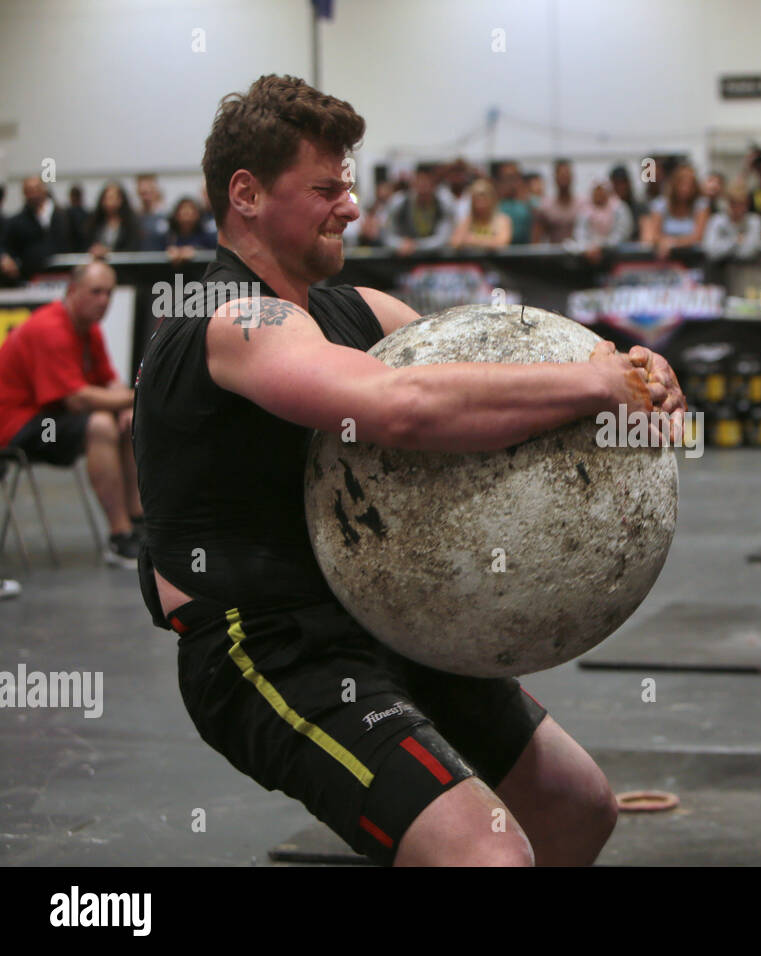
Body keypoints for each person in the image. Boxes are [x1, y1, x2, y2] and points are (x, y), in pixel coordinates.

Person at [132, 74, 685, 867]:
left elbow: (493, 360)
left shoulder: (359, 311)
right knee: (485, 858)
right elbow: (402, 406)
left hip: (384, 616)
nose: (351, 208)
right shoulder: (230, 318)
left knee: (576, 810)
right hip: (266, 645)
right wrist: (598, 385)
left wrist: (625, 364)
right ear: (246, 194)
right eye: (325, 189)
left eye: (349, 186)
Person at [0, 261, 141, 566]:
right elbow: (76, 400)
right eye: (96, 292)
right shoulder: (50, 328)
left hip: (48, 416)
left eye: (109, 293)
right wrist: (139, 396)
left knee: (128, 420)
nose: (104, 300)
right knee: (101, 424)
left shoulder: (88, 329)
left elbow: (109, 381)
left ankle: (137, 522)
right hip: (16, 425)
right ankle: (120, 537)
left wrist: (128, 405)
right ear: (73, 291)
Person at [5, 177, 76, 279]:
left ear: (44, 189)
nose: (33, 194)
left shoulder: (66, 216)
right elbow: (7, 246)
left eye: (36, 189)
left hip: (64, 276)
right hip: (31, 278)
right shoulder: (17, 222)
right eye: (29, 191)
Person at [640, 163, 710, 260]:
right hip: (666, 260)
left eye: (689, 184)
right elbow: (654, 235)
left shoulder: (701, 205)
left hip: (693, 259)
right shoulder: (660, 204)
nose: (685, 189)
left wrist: (672, 243)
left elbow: (698, 237)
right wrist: (663, 242)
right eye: (682, 184)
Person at [383, 164, 452, 254]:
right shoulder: (398, 202)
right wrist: (400, 244)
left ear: (434, 184)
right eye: (420, 181)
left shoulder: (444, 203)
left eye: (427, 182)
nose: (423, 186)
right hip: (404, 257)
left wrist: (416, 245)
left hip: (434, 257)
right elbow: (387, 235)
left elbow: (444, 237)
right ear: (413, 182)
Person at [572, 179, 634, 261]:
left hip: (615, 255)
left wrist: (602, 246)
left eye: (601, 191)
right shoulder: (585, 209)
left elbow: (621, 233)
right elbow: (580, 232)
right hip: (588, 254)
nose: (599, 194)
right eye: (596, 191)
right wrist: (587, 247)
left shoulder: (619, 207)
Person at [702, 180, 761, 261]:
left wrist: (723, 245)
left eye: (742, 204)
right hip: (719, 269)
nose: (738, 208)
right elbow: (710, 251)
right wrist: (735, 241)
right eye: (734, 203)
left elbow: (748, 253)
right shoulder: (716, 220)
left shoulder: (755, 221)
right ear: (728, 203)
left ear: (747, 204)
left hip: (748, 269)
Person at [449, 178, 512, 250]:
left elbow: (501, 243)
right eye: (477, 200)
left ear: (491, 200)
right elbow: (455, 242)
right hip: (472, 260)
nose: (480, 204)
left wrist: (473, 240)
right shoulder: (468, 220)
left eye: (484, 200)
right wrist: (489, 241)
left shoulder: (502, 220)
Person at [84, 181, 142, 257]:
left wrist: (108, 252)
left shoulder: (130, 224)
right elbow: (87, 245)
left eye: (111, 198)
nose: (108, 202)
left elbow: (132, 249)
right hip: (97, 262)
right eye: (106, 198)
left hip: (122, 265)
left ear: (120, 200)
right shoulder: (94, 222)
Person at [531, 159, 579, 244]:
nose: (564, 178)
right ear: (555, 177)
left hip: (579, 254)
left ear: (572, 177)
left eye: (566, 175)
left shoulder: (581, 204)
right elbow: (537, 237)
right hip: (553, 255)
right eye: (561, 175)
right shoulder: (545, 206)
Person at [164, 196, 219, 264]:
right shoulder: (169, 236)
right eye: (184, 212)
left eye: (191, 212)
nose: (187, 216)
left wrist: (196, 251)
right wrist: (168, 251)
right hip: (177, 273)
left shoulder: (206, 237)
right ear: (176, 215)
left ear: (198, 215)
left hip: (201, 272)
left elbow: (215, 252)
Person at [136, 174, 170, 252]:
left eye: (149, 192)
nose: (146, 197)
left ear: (155, 191)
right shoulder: (135, 217)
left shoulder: (166, 216)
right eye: (143, 193)